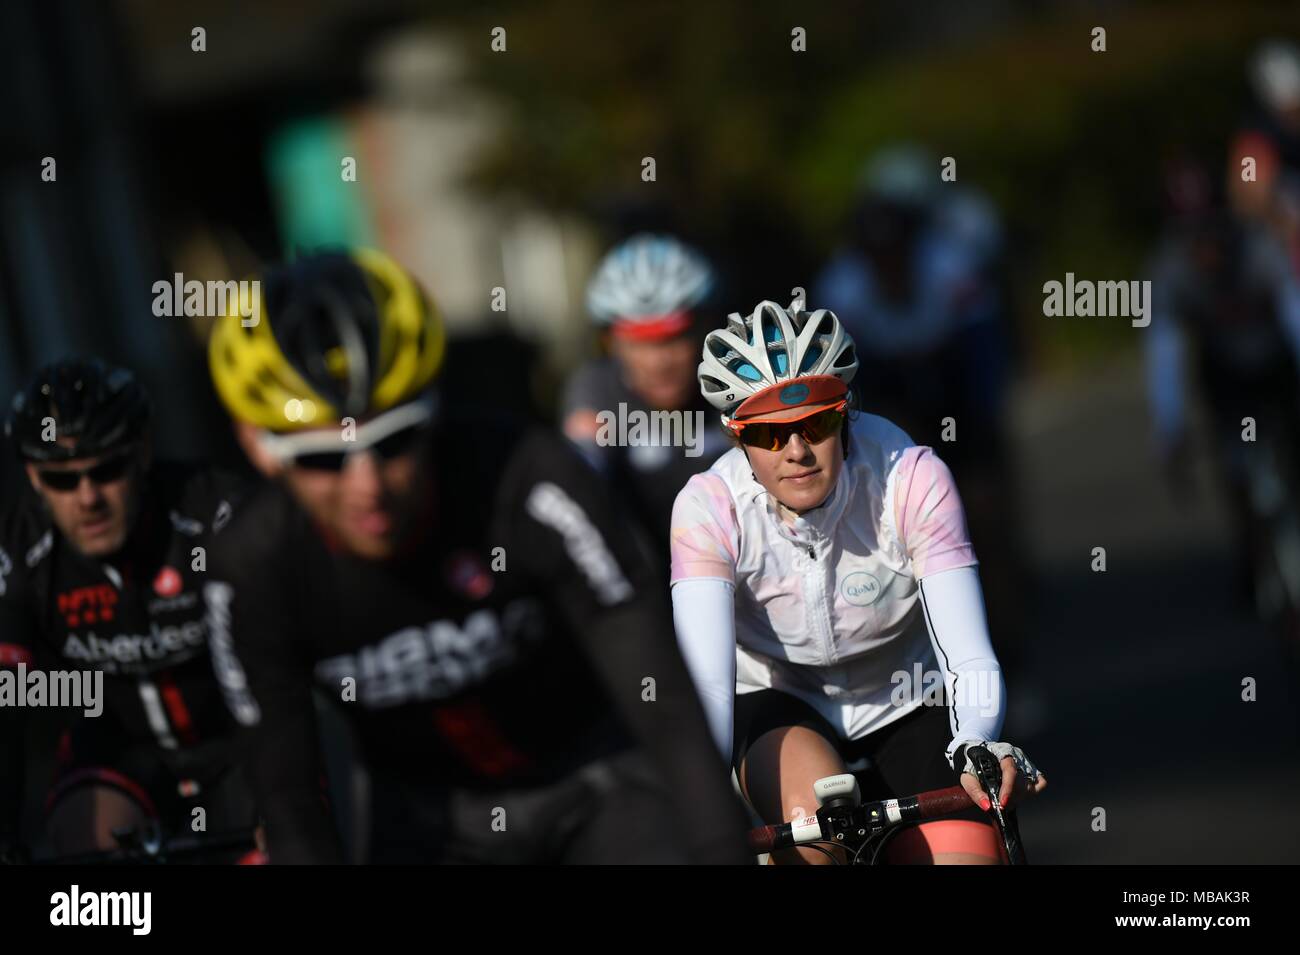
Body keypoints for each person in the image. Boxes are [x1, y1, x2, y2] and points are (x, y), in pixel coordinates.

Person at [203, 248, 749, 864]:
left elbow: (664, 701)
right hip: (434, 829)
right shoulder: (250, 568)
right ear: (258, 445)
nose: (369, 486)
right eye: (323, 459)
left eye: (397, 441)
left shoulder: (529, 481)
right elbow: (289, 800)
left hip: (599, 789)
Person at [671, 299, 1046, 865]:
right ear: (735, 436)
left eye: (815, 424)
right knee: (814, 837)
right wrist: (698, 800)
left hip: (905, 696)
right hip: (781, 700)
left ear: (846, 413)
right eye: (769, 435)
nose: (795, 451)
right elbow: (708, 686)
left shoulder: (911, 478)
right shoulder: (708, 509)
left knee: (968, 856)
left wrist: (975, 739)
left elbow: (968, 655)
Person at [0, 358, 254, 862]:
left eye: (106, 470)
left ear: (142, 451)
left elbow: (288, 661)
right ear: (33, 476)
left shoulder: (214, 511)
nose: (88, 498)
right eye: (62, 480)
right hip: (118, 748)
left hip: (241, 737)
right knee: (88, 854)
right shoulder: (19, 551)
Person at [1146, 156, 1300, 609]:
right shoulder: (1168, 269)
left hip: (1277, 367)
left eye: (1210, 228)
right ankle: (1253, 551)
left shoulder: (1259, 248)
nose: (1203, 245)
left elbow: (1294, 313)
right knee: (1237, 469)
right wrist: (1170, 427)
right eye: (1188, 235)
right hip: (1224, 378)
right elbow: (1163, 352)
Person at [562, 234, 732, 576]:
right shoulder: (596, 389)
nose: (658, 363)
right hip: (644, 581)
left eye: (673, 338)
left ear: (704, 327)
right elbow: (578, 475)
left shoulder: (737, 383)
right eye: (638, 344)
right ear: (609, 342)